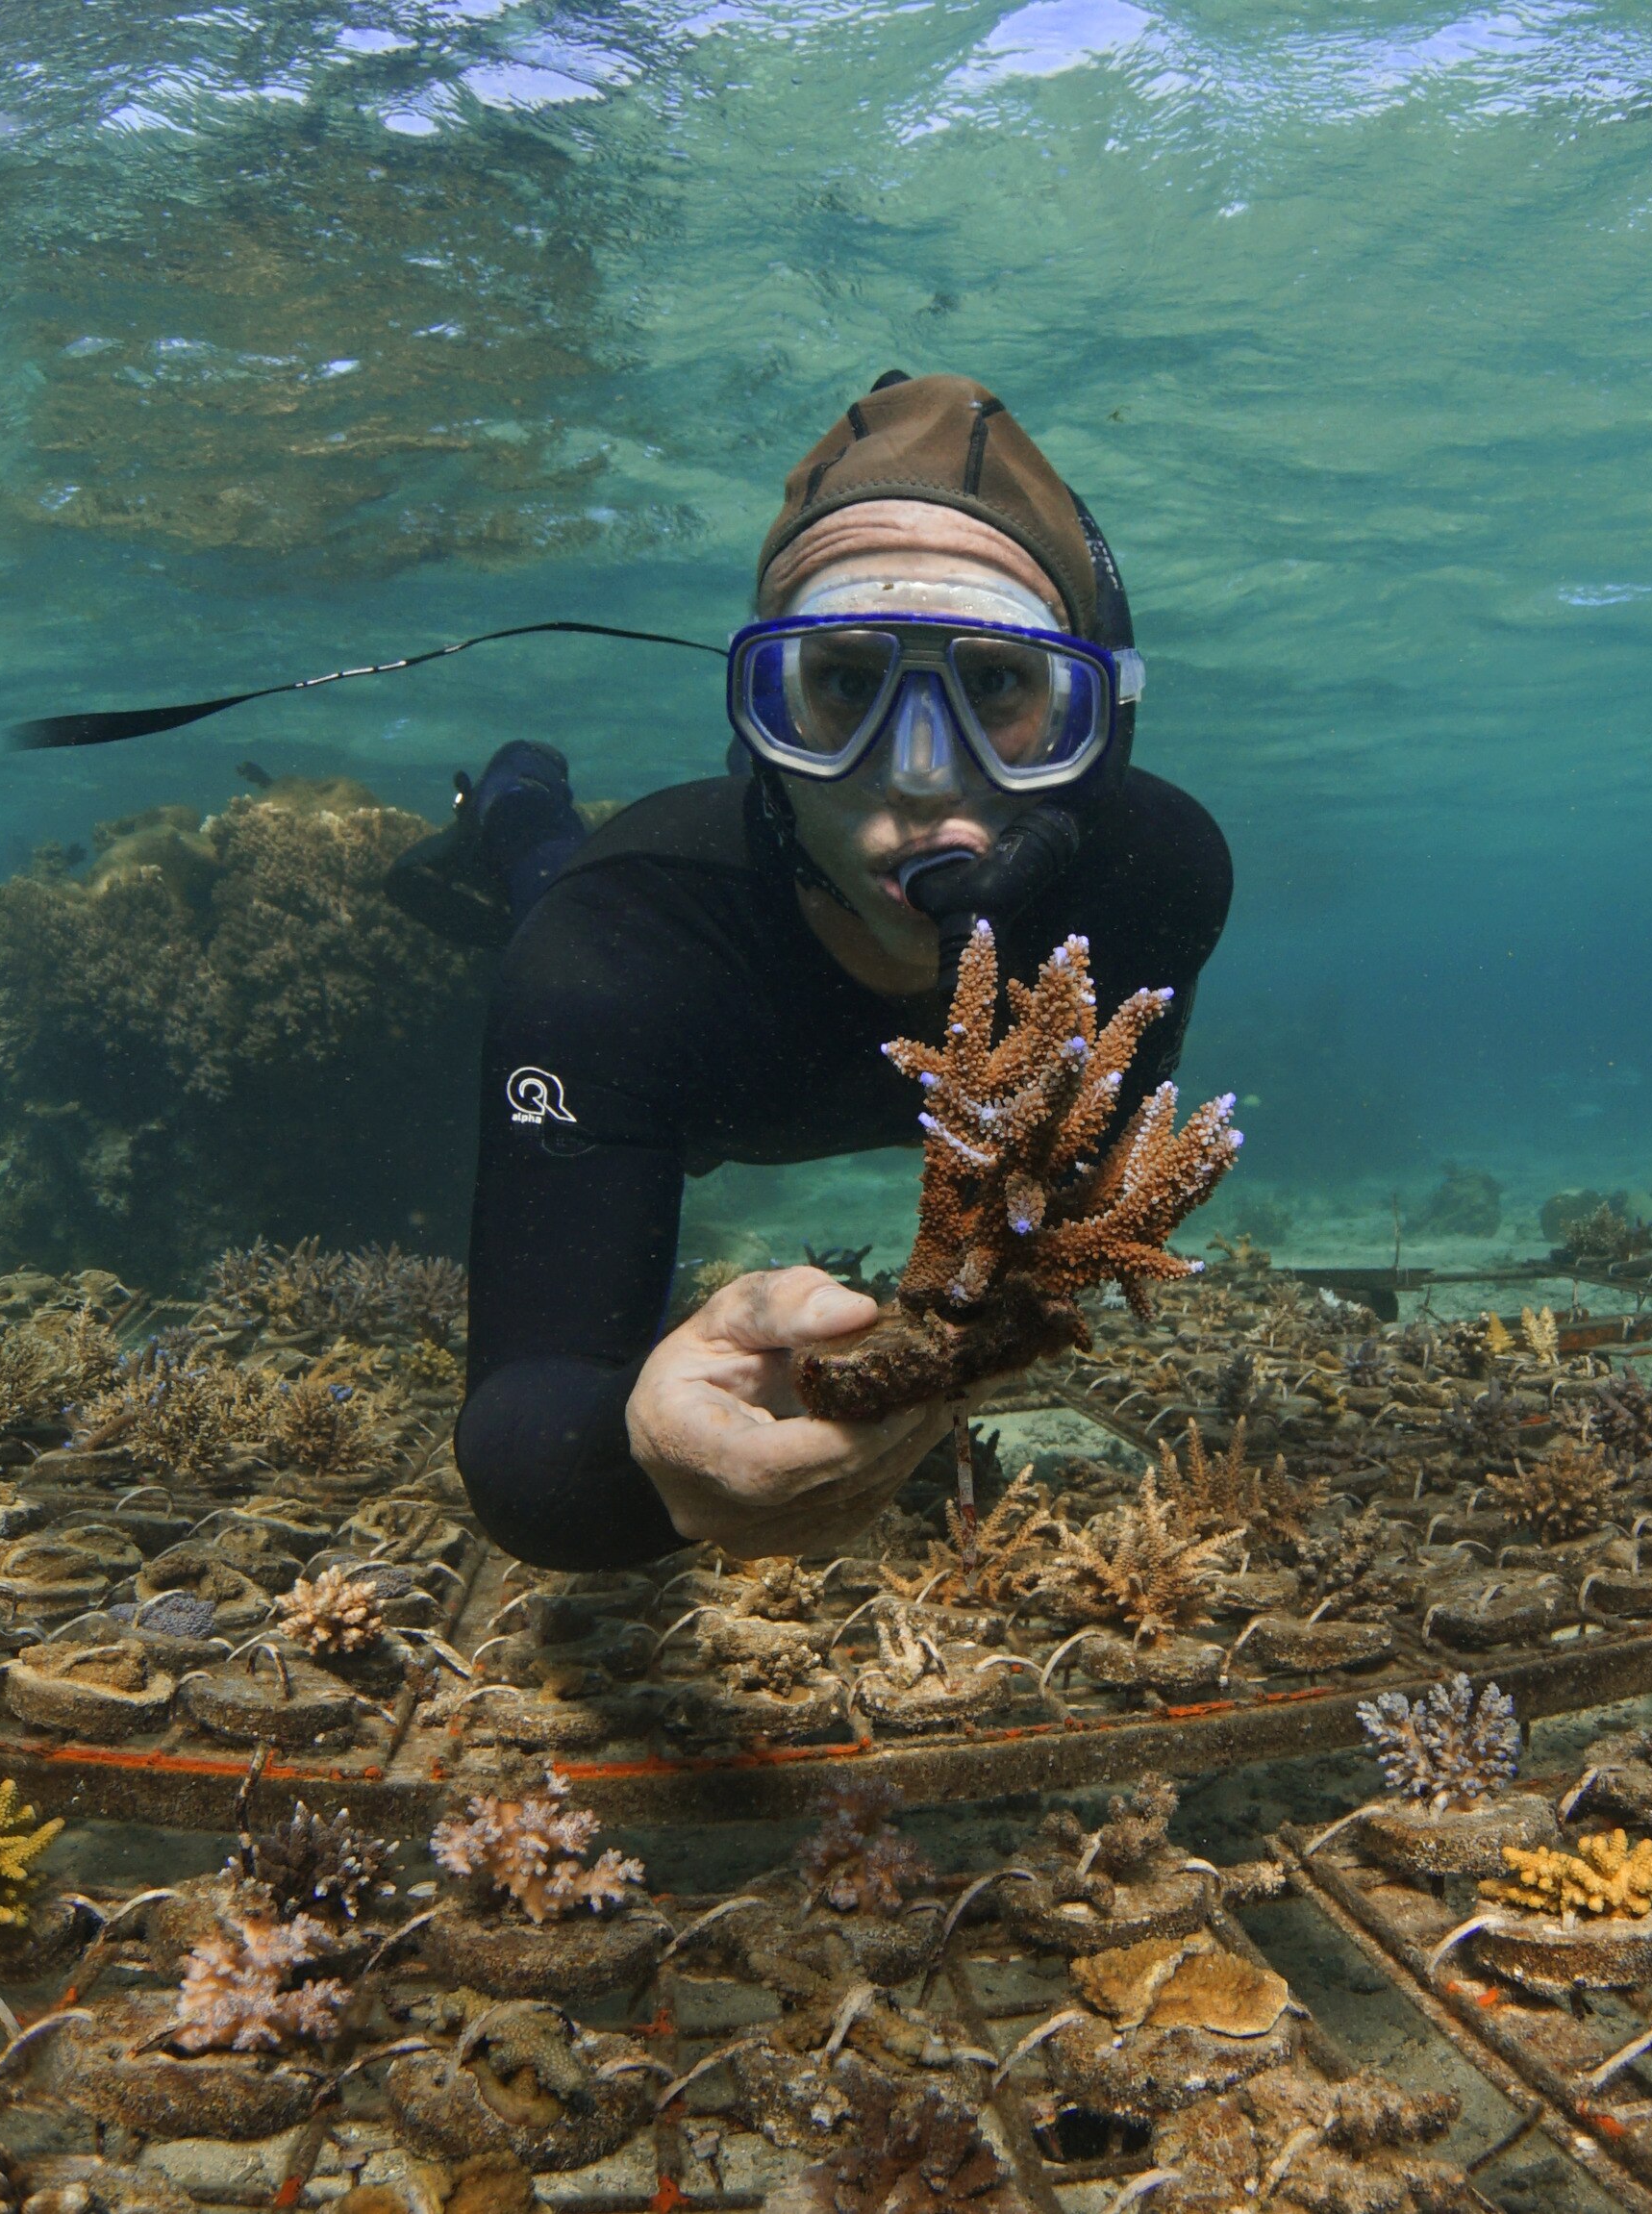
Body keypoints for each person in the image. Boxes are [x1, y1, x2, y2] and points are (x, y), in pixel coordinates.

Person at [413, 373, 1233, 1570]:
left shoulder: (1158, 876)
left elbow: (1078, 1184)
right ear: (761, 721)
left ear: (1098, 734)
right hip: (681, 1048)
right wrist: (643, 1448)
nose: (912, 774)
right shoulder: (617, 947)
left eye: (999, 685)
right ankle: (518, 804)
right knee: (550, 877)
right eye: (843, 685)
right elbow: (523, 1437)